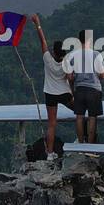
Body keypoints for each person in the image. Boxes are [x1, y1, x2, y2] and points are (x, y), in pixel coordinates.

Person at [31, 13, 70, 160]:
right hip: (65, 94)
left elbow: (42, 41)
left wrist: (38, 24)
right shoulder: (67, 63)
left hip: (50, 94)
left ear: (53, 52)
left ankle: (49, 153)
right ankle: (84, 140)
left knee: (51, 125)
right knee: (81, 113)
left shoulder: (48, 59)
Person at [63, 28, 104, 144]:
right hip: (94, 90)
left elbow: (70, 77)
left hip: (79, 90)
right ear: (90, 40)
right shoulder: (96, 55)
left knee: (79, 116)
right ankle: (90, 145)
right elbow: (102, 75)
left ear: (78, 40)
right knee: (92, 117)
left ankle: (81, 143)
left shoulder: (72, 55)